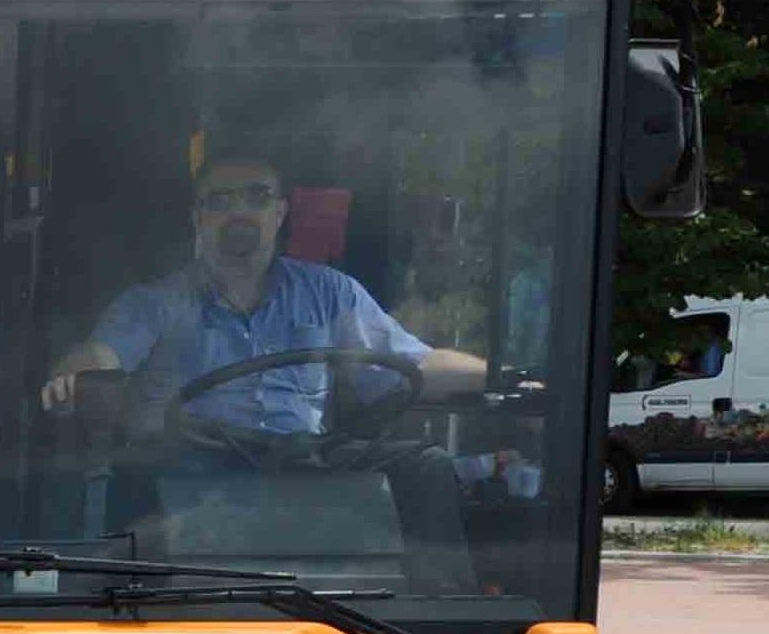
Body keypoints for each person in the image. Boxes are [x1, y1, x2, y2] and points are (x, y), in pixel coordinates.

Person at [40, 154, 496, 585]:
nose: (240, 210)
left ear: (280, 213)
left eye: (257, 197)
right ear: (198, 217)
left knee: (426, 467)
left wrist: (502, 377)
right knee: (141, 515)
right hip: (193, 463)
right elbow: (100, 355)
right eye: (220, 200)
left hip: (302, 458)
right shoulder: (156, 303)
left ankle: (443, 616)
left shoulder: (329, 292)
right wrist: (72, 377)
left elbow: (414, 362)